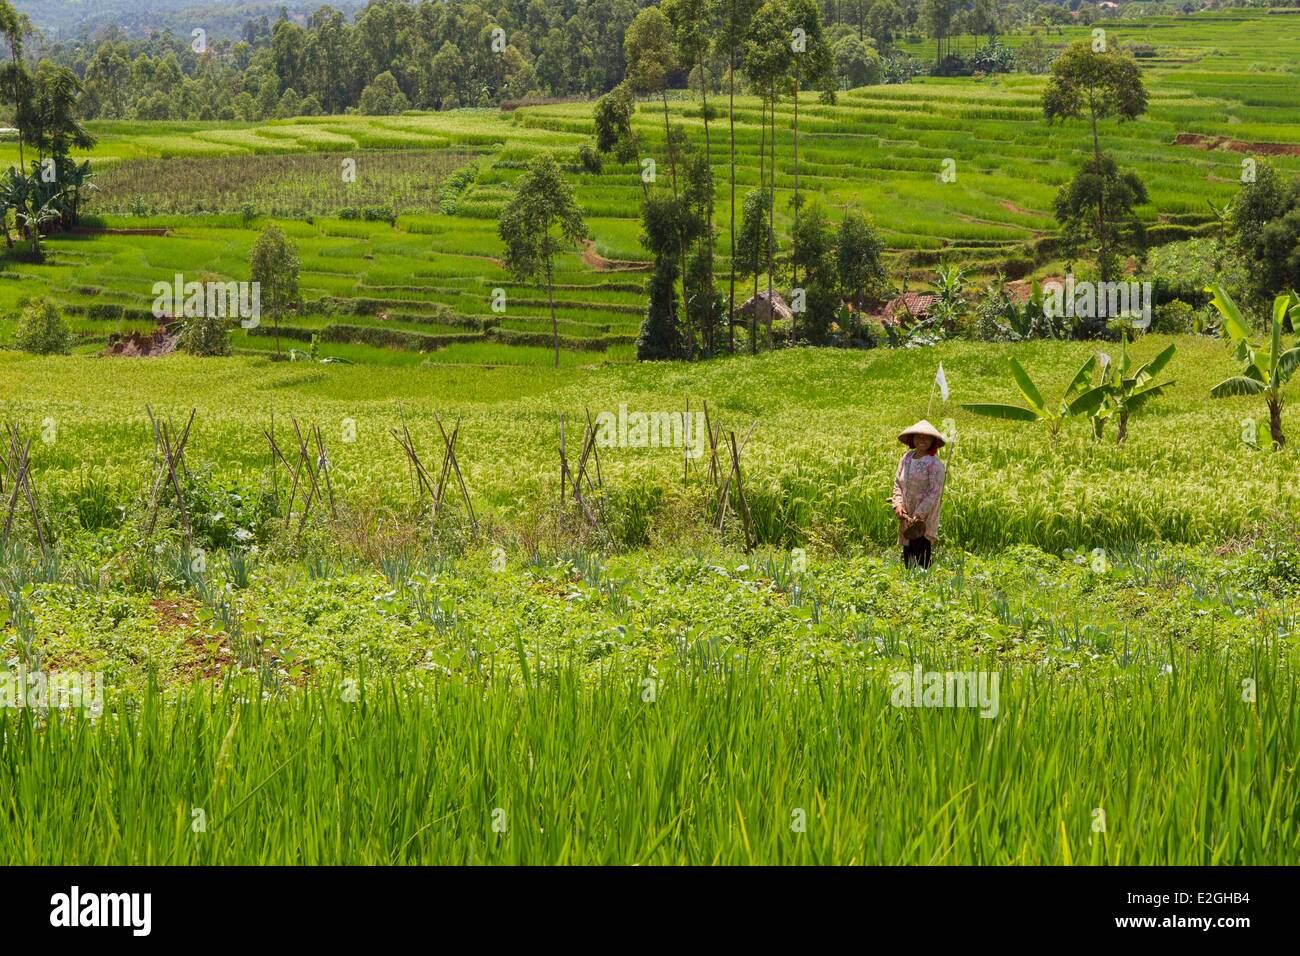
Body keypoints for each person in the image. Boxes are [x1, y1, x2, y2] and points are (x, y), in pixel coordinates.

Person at [890, 420, 947, 569]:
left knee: (921, 552)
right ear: (912, 439)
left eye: (926, 437)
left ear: (932, 441)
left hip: (923, 517)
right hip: (906, 513)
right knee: (908, 553)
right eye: (918, 437)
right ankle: (909, 586)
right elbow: (898, 482)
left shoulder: (934, 464)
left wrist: (919, 514)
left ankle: (923, 586)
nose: (922, 440)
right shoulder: (907, 458)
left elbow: (935, 492)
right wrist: (898, 504)